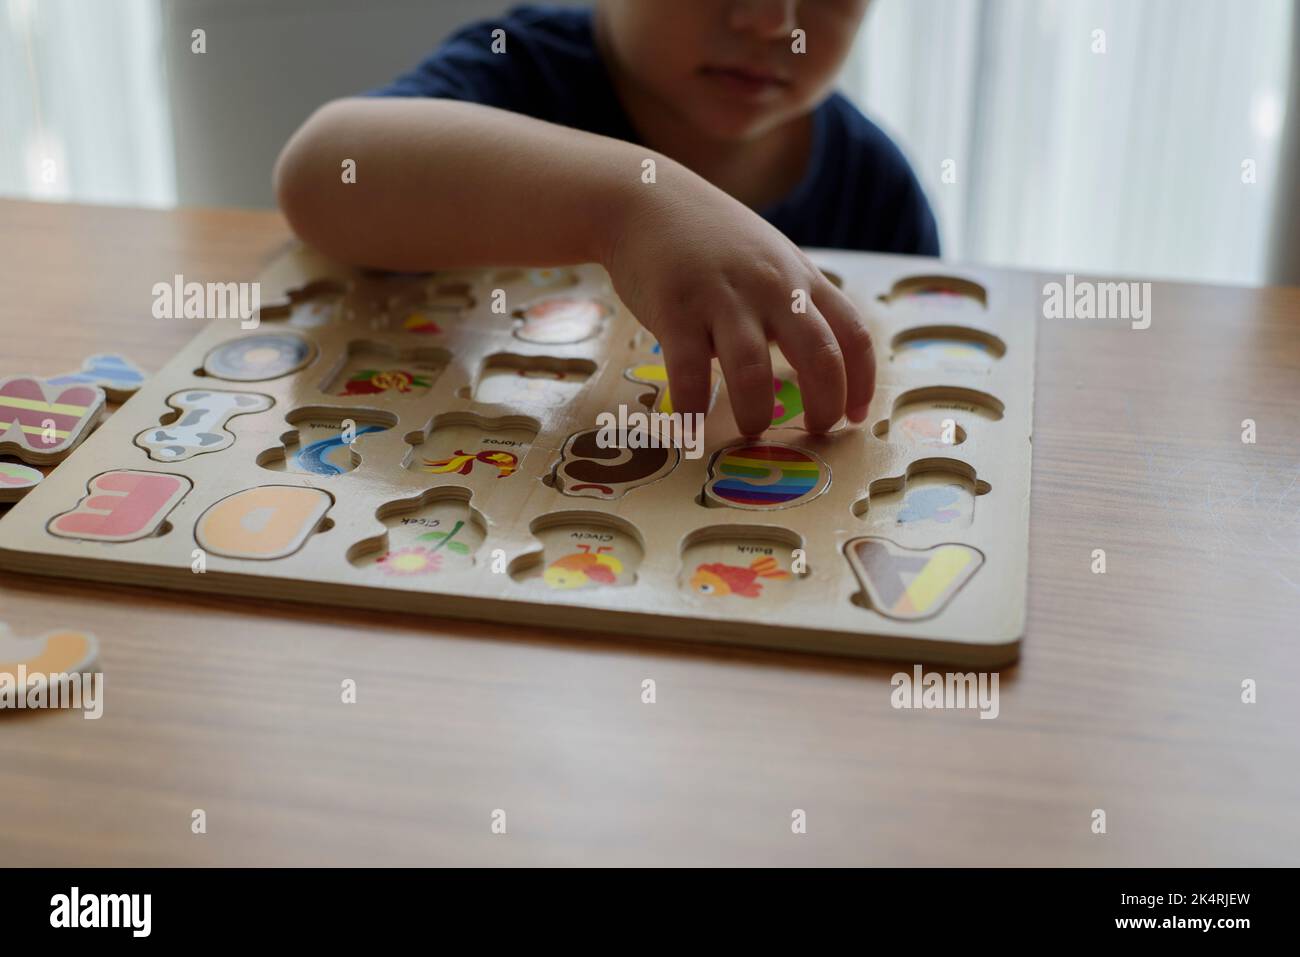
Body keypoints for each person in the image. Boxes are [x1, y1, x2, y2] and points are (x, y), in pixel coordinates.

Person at [275, 2, 938, 434]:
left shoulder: (879, 189)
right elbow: (319, 171)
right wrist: (624, 204)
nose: (769, 20)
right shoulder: (521, 70)